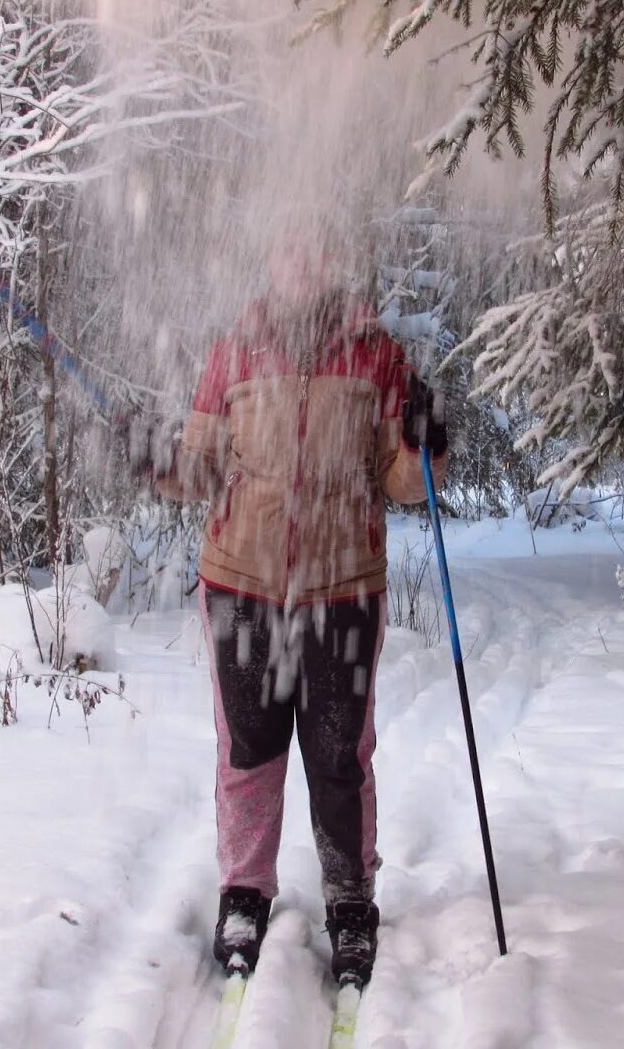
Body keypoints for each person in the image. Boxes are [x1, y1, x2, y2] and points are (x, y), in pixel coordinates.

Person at [126, 228, 448, 986]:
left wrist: (422, 446)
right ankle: (244, 892)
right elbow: (202, 469)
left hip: (343, 586)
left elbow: (400, 482)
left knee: (340, 756)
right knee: (249, 750)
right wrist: (157, 458)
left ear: (337, 260)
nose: (304, 259)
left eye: (318, 247)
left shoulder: (376, 354)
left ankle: (350, 901)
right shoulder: (235, 349)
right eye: (290, 245)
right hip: (243, 582)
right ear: (271, 256)